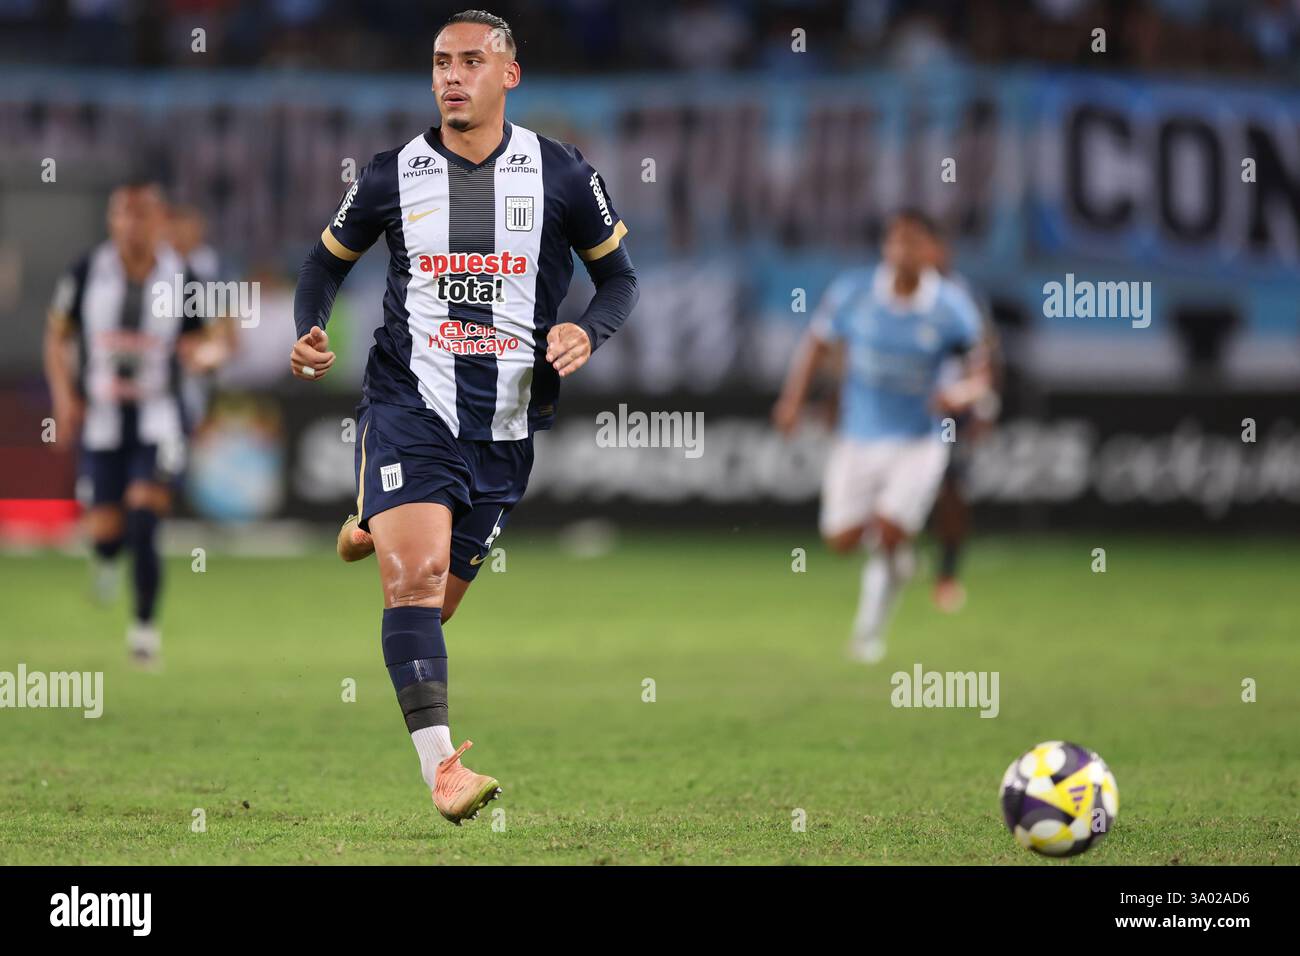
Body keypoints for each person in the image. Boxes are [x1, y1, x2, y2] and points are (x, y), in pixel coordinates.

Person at [290, 10, 638, 824]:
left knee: (432, 602)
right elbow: (323, 261)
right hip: (409, 401)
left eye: (472, 61)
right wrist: (310, 327)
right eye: (442, 62)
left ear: (508, 75)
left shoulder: (560, 174)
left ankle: (370, 522)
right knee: (412, 581)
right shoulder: (391, 174)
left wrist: (587, 331)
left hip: (507, 425)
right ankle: (442, 769)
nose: (452, 75)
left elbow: (619, 278)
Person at [773, 209, 990, 663]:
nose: (901, 251)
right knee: (840, 540)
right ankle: (899, 558)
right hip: (859, 436)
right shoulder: (854, 293)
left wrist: (963, 393)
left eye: (912, 242)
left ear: (931, 250)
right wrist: (793, 400)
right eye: (894, 241)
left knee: (890, 530)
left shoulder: (951, 306)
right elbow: (817, 343)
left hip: (919, 439)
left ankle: (867, 634)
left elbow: (981, 371)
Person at [44, 180, 223, 666]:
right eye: (125, 213)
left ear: (158, 220)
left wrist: (203, 358)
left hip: (158, 419)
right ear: (112, 219)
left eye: (143, 213)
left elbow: (212, 341)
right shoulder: (87, 271)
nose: (133, 223)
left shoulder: (182, 277)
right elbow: (56, 335)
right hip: (102, 418)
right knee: (106, 532)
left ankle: (144, 631)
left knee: (144, 518)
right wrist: (64, 397)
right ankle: (103, 557)